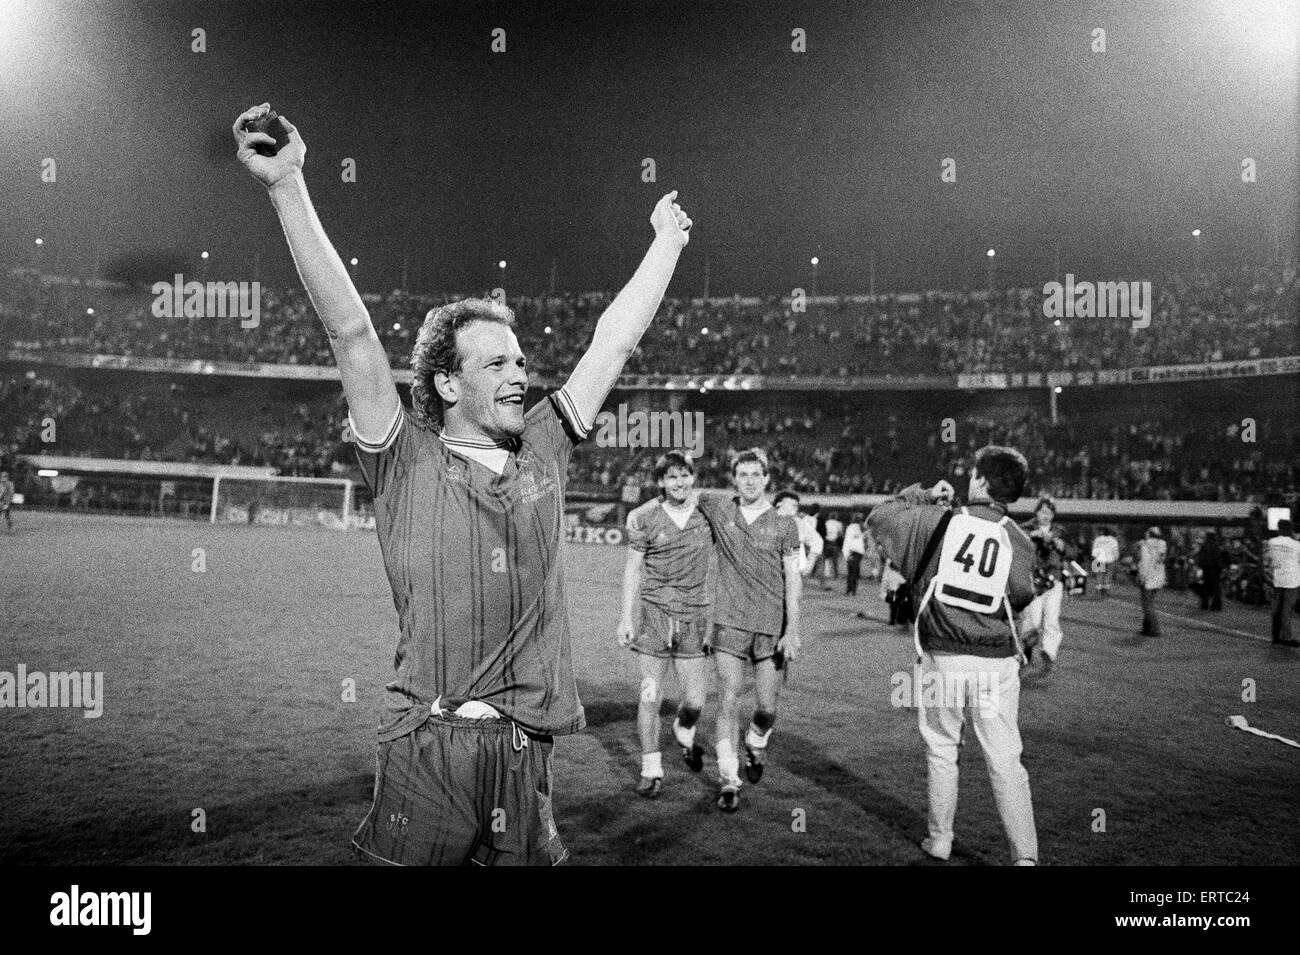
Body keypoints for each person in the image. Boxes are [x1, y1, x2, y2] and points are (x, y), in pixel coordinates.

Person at [235, 103, 693, 865]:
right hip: (427, 747)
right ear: (446, 383)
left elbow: (615, 341)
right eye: (497, 363)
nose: (520, 373)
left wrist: (665, 246)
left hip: (526, 754)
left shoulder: (545, 444)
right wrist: (287, 185)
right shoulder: (404, 460)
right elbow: (351, 332)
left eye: (520, 361)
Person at [868, 446, 1039, 866]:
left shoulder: (936, 521)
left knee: (943, 749)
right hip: (996, 661)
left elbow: (879, 517)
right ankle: (1025, 858)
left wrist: (925, 494)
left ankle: (941, 839)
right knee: (1006, 760)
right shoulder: (1018, 538)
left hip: (942, 655)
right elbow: (1021, 595)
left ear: (979, 481)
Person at [696, 450, 802, 813]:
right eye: (743, 474)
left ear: (767, 479)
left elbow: (793, 579)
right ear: (734, 479)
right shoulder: (720, 509)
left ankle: (756, 743)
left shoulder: (785, 524)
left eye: (756, 474)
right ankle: (729, 779)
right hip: (728, 622)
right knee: (727, 698)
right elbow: (675, 492)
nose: (750, 480)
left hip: (771, 627)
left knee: (767, 708)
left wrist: (793, 630)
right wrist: (638, 513)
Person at [617, 451, 713, 798]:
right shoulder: (644, 517)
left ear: (693, 478)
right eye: (672, 477)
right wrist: (626, 617)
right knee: (650, 696)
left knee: (696, 701)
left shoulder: (708, 513)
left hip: (693, 617)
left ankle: (684, 728)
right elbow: (632, 569)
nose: (680, 483)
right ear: (661, 482)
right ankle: (651, 768)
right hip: (654, 618)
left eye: (685, 475)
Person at [1019, 497, 1071, 675]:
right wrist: (1033, 536)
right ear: (1036, 512)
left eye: (1049, 513)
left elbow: (1072, 551)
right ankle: (1025, 653)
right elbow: (1016, 540)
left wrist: (1061, 545)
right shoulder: (1026, 527)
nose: (1046, 516)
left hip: (1053, 580)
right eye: (1043, 512)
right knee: (1032, 621)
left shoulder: (1060, 531)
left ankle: (1049, 654)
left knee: (1052, 620)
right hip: (1034, 579)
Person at [1263, 519, 1300, 647]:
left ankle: (1275, 635)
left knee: (1276, 608)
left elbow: (1269, 559)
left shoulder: (1272, 542)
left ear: (1278, 528)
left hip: (1278, 579)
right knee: (1287, 609)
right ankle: (1286, 637)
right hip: (1292, 579)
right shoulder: (1296, 544)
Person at [1137, 527, 1167, 637]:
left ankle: (1155, 629)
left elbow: (1144, 561)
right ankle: (1146, 627)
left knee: (1147, 604)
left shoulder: (1145, 545)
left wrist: (1142, 576)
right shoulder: (1163, 544)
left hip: (1148, 577)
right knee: (1149, 602)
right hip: (1158, 576)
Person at [1197, 531, 1227, 611]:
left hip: (1206, 568)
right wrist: (1220, 567)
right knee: (1216, 587)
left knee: (1206, 586)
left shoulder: (1204, 545)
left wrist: (1201, 566)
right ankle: (1216, 606)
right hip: (1214, 568)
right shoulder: (1216, 545)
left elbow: (1201, 557)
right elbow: (1217, 557)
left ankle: (1204, 605)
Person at [842, 512, 866, 596]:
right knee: (855, 572)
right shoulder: (862, 528)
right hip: (859, 552)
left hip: (852, 551)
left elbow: (847, 541)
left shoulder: (850, 527)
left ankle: (849, 590)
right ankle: (853, 590)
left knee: (850, 572)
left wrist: (845, 553)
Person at [1090, 526, 1119, 596]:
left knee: (1099, 574)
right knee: (1108, 574)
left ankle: (1098, 589)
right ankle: (1106, 589)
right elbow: (1115, 549)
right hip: (1110, 559)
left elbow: (1094, 548)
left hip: (1099, 559)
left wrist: (1094, 557)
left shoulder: (1098, 539)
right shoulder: (1113, 539)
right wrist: (1116, 557)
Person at [822, 511, 844, 586]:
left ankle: (826, 573)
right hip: (834, 543)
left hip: (826, 542)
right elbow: (840, 534)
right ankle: (836, 574)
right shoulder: (838, 524)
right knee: (835, 560)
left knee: (826, 559)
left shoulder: (826, 523)